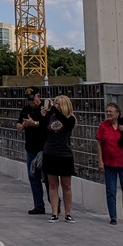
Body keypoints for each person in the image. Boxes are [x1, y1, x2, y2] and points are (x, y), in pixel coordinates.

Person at [98, 102, 123, 225]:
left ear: (117, 113)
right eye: (107, 111)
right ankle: (113, 217)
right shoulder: (103, 126)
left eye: (111, 111)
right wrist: (100, 161)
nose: (108, 113)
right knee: (111, 190)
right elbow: (99, 144)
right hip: (109, 163)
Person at [40, 94, 78, 222]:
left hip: (64, 154)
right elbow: (43, 128)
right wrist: (45, 115)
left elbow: (66, 124)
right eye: (55, 103)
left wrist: (54, 110)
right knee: (52, 184)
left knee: (66, 185)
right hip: (50, 153)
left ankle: (68, 213)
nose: (55, 106)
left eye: (58, 104)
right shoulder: (52, 117)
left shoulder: (70, 119)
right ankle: (54, 212)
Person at [15, 88, 48, 215]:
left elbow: (46, 124)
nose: (31, 102)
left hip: (44, 148)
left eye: (33, 99)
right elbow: (18, 126)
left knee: (48, 179)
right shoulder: (26, 110)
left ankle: (55, 203)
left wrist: (33, 123)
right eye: (29, 100)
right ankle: (39, 205)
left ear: (38, 96)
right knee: (33, 177)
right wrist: (24, 125)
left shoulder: (45, 109)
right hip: (31, 148)